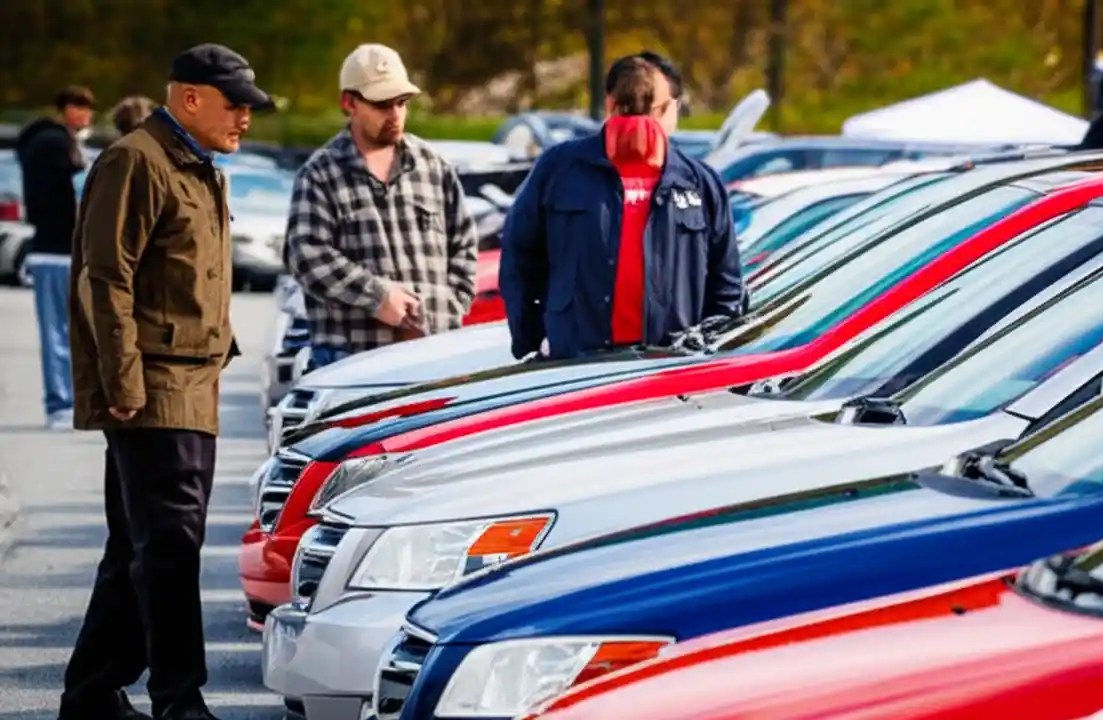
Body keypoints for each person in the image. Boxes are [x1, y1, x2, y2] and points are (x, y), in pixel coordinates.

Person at [60, 44, 272, 720]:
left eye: (248, 105)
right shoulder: (136, 161)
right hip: (152, 389)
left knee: (138, 546)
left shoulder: (197, 164)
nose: (245, 117)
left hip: (189, 382)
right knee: (172, 547)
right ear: (188, 98)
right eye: (233, 103)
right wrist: (123, 382)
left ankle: (92, 693)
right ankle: (178, 699)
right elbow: (104, 278)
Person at [499, 52, 743, 360]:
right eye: (628, 105)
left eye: (648, 107)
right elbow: (518, 254)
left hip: (668, 365)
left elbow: (726, 284)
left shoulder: (698, 182)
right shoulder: (561, 168)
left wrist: (709, 352)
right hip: (576, 359)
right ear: (610, 104)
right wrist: (533, 338)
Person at [285, 43, 479, 370]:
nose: (395, 114)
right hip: (351, 362)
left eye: (402, 103)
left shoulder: (434, 168)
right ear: (349, 103)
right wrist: (376, 297)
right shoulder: (320, 175)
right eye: (382, 104)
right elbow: (305, 255)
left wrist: (447, 310)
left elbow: (464, 246)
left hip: (433, 357)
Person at [14, 85, 95, 430]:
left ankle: (66, 402)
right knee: (60, 333)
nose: (85, 115)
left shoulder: (47, 142)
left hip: (54, 248)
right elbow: (68, 197)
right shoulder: (56, 144)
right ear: (65, 109)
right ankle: (61, 403)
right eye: (79, 107)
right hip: (57, 248)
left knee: (63, 332)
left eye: (88, 109)